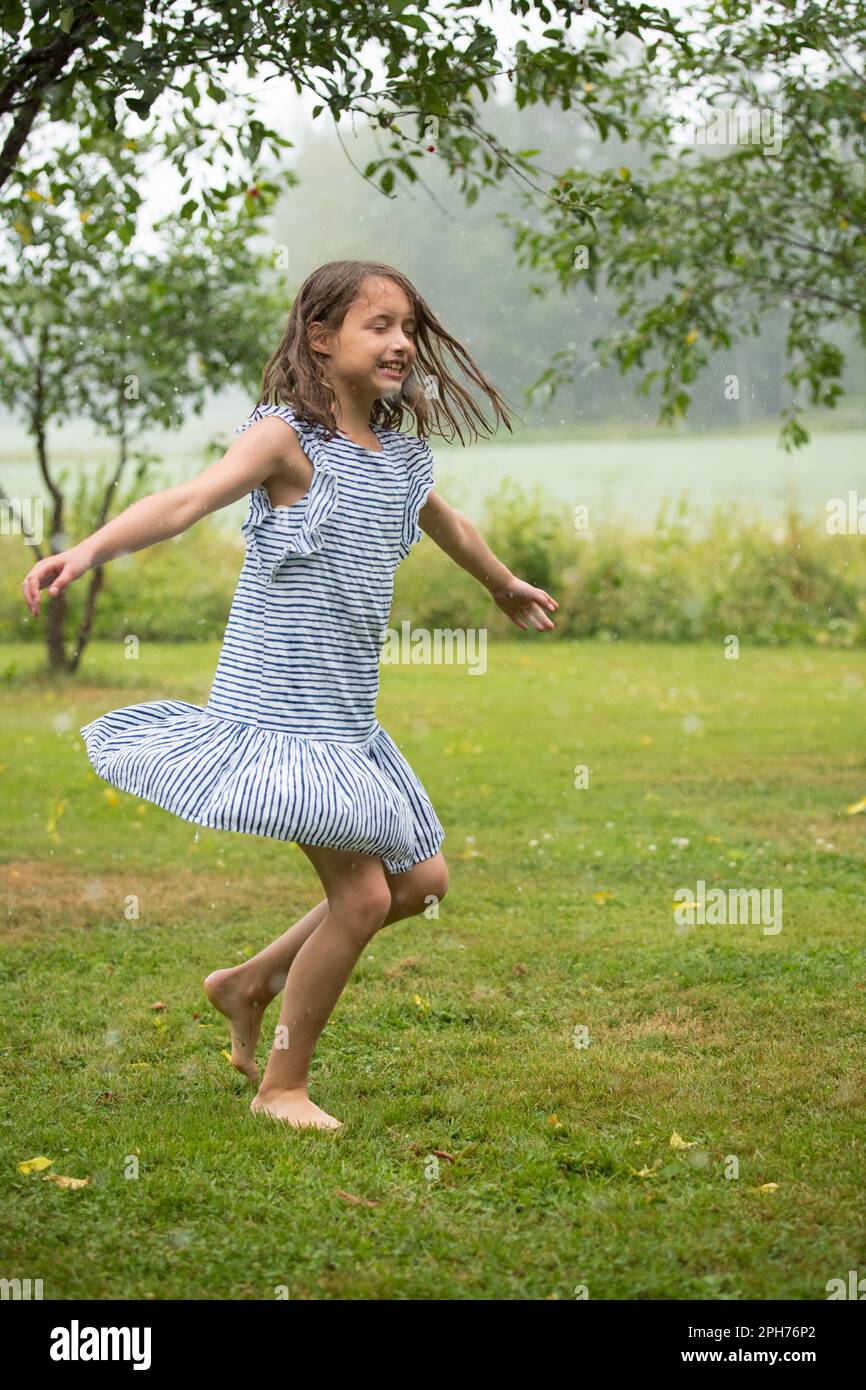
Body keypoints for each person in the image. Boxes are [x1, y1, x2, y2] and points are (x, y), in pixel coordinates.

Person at [21, 259, 559, 1131]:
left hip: (345, 722)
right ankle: (282, 1088)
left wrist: (501, 584)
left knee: (421, 881)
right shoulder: (287, 440)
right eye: (376, 325)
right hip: (277, 719)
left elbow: (445, 522)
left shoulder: (398, 458)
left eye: (407, 328)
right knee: (363, 898)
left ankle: (246, 984)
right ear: (319, 337)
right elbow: (188, 499)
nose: (400, 342)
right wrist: (88, 550)